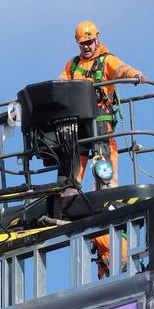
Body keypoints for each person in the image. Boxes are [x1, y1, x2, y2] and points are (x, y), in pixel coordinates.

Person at [60, 20, 146, 190]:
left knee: (104, 148)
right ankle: (69, 190)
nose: (86, 47)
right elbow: (61, 82)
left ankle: (106, 187)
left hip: (100, 116)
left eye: (89, 42)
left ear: (97, 39)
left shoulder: (106, 60)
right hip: (78, 119)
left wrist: (135, 74)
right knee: (76, 152)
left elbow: (121, 69)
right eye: (82, 44)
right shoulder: (72, 65)